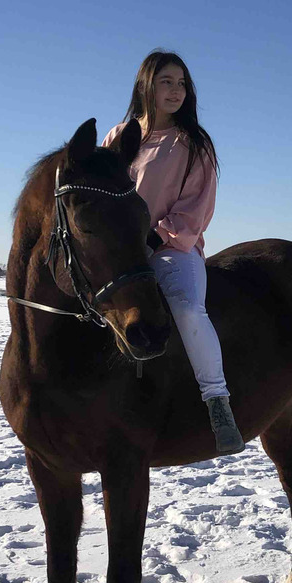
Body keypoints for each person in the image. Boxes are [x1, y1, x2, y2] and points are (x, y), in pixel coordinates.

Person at [102, 50, 245, 456]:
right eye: (167, 81)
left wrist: (153, 238)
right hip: (120, 250)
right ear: (146, 84)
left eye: (182, 83)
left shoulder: (193, 144)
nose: (177, 90)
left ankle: (217, 401)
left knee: (185, 307)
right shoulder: (118, 137)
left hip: (172, 248)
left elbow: (196, 208)